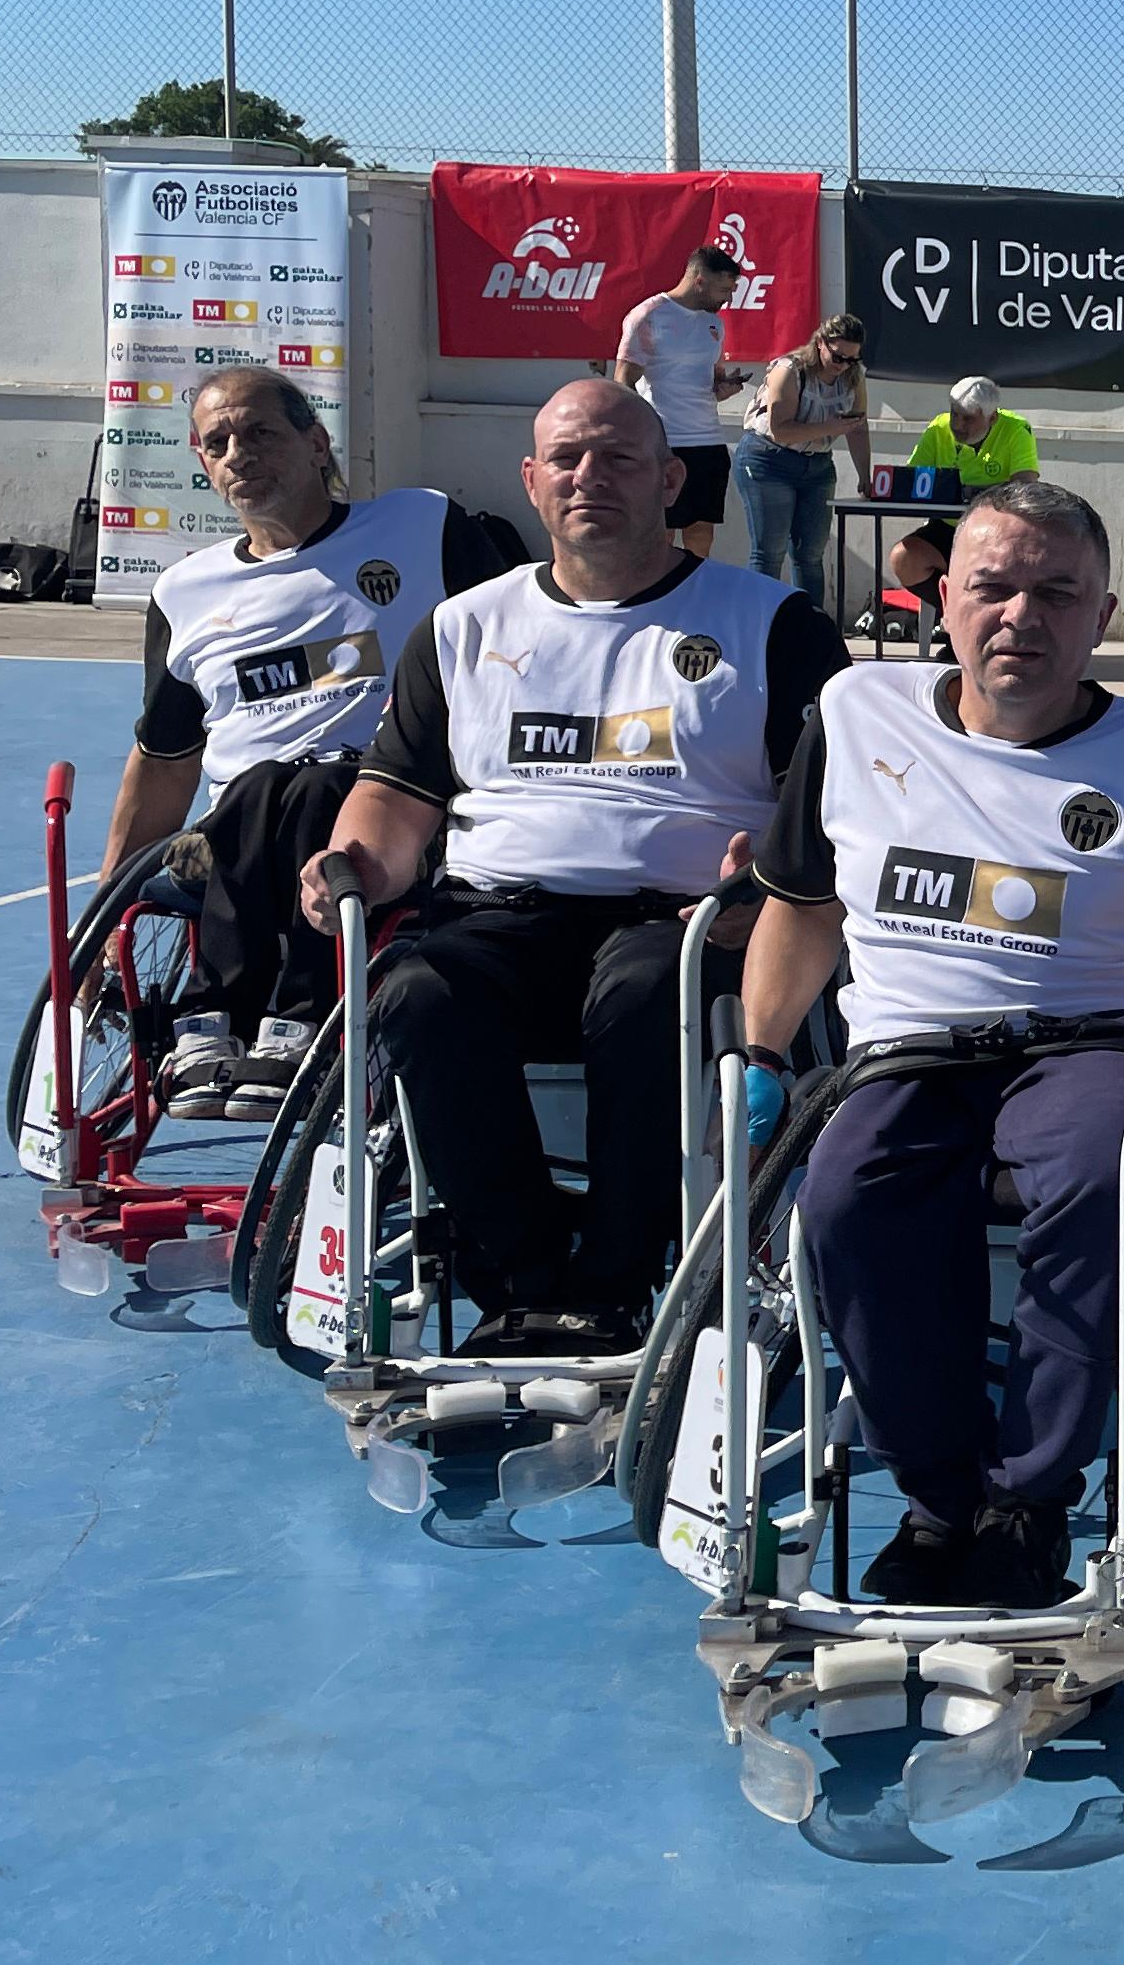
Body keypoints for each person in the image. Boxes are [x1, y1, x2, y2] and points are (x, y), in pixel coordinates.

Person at [738, 478, 1124, 1608]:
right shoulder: (856, 714)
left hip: (1095, 1043)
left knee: (1102, 1169)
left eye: (1059, 593)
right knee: (845, 1202)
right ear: (939, 599)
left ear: (1103, 617)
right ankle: (941, 1498)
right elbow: (800, 910)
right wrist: (763, 1056)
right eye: (994, 588)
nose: (1023, 616)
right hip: (909, 1050)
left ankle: (1028, 1499)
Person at [297, 381, 848, 1351]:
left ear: (672, 478)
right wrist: (354, 861)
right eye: (567, 458)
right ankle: (525, 1285)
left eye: (619, 458)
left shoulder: (773, 625)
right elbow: (395, 791)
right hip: (502, 917)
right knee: (415, 990)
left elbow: (835, 814)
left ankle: (617, 1283)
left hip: (688, 926)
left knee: (643, 989)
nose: (590, 476)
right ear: (531, 480)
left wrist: (762, 881)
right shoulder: (463, 627)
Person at [100, 366, 523, 1118]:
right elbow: (165, 760)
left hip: (396, 809)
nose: (240, 454)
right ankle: (208, 1029)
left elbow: (525, 657)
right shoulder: (184, 593)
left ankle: (298, 1022)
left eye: (260, 432)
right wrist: (107, 899)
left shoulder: (421, 528)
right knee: (270, 787)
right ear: (204, 465)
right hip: (243, 830)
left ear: (317, 442)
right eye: (219, 442)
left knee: (323, 784)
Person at [606, 242, 751, 558]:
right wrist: (639, 438)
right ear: (700, 279)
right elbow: (623, 382)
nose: (728, 298)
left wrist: (724, 389)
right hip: (667, 442)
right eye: (724, 289)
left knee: (701, 532)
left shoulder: (714, 323)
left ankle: (694, 596)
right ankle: (658, 599)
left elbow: (710, 381)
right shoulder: (649, 315)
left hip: (708, 442)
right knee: (661, 531)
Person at [734, 314, 873, 604]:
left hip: (817, 464)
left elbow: (857, 427)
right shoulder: (790, 370)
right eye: (838, 356)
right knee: (769, 551)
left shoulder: (853, 376)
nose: (843, 365)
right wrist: (831, 427)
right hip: (769, 458)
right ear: (820, 343)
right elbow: (780, 430)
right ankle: (758, 626)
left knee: (810, 554)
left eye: (851, 359)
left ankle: (811, 629)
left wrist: (864, 475)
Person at [883, 377, 1045, 611]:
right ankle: (955, 616)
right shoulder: (939, 427)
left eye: (968, 418)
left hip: (995, 531)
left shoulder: (1017, 429)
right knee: (904, 557)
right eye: (954, 413)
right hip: (949, 526)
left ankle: (965, 627)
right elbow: (913, 479)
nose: (958, 424)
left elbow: (1025, 485)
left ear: (992, 419)